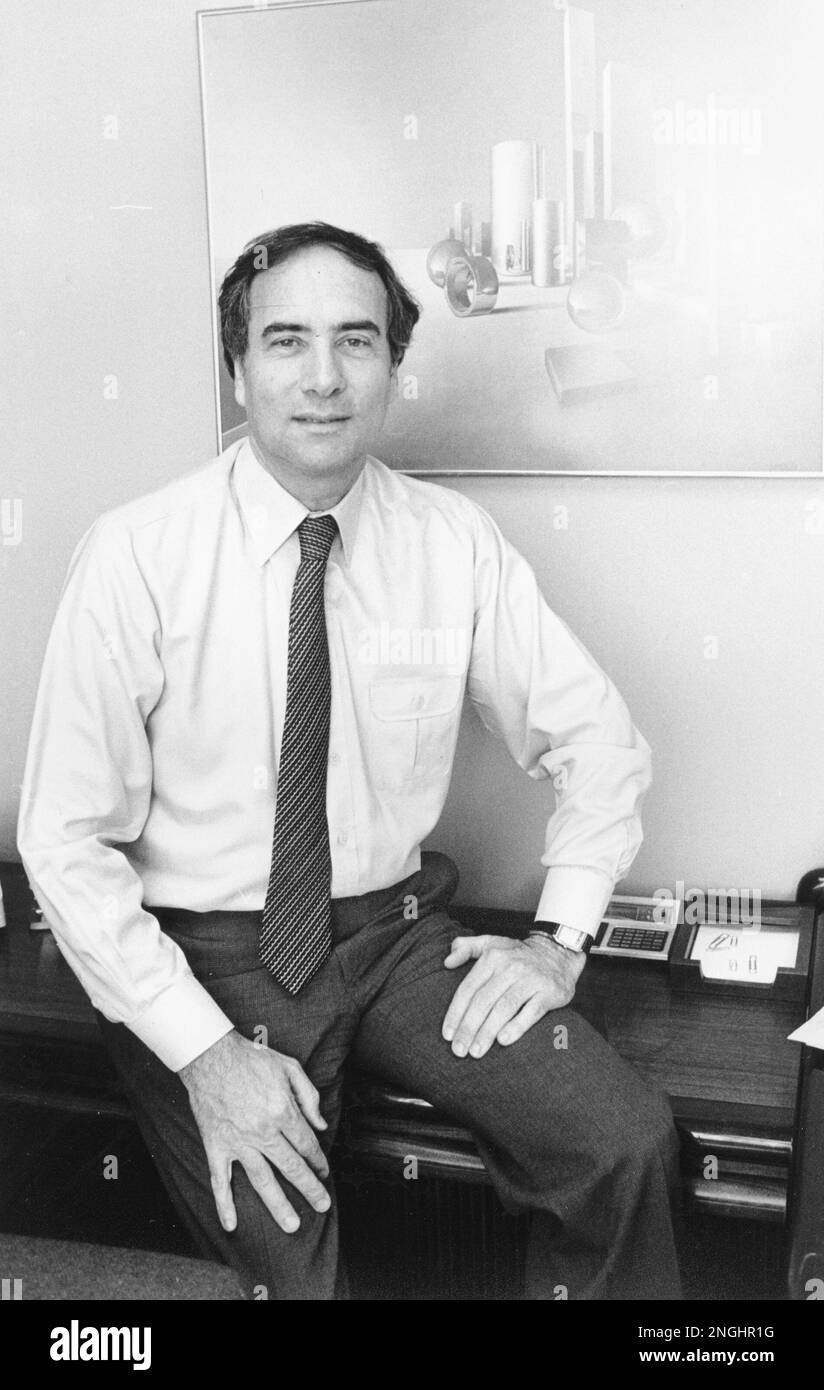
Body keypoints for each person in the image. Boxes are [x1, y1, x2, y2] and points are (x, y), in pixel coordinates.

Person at [18, 221, 681, 1301]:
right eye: (285, 341)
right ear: (236, 369)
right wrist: (205, 1055)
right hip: (208, 959)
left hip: (395, 941)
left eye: (356, 341)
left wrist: (558, 938)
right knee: (305, 1279)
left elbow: (598, 740)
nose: (322, 377)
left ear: (391, 366)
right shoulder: (137, 554)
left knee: (621, 1141)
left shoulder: (450, 542)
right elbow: (63, 839)